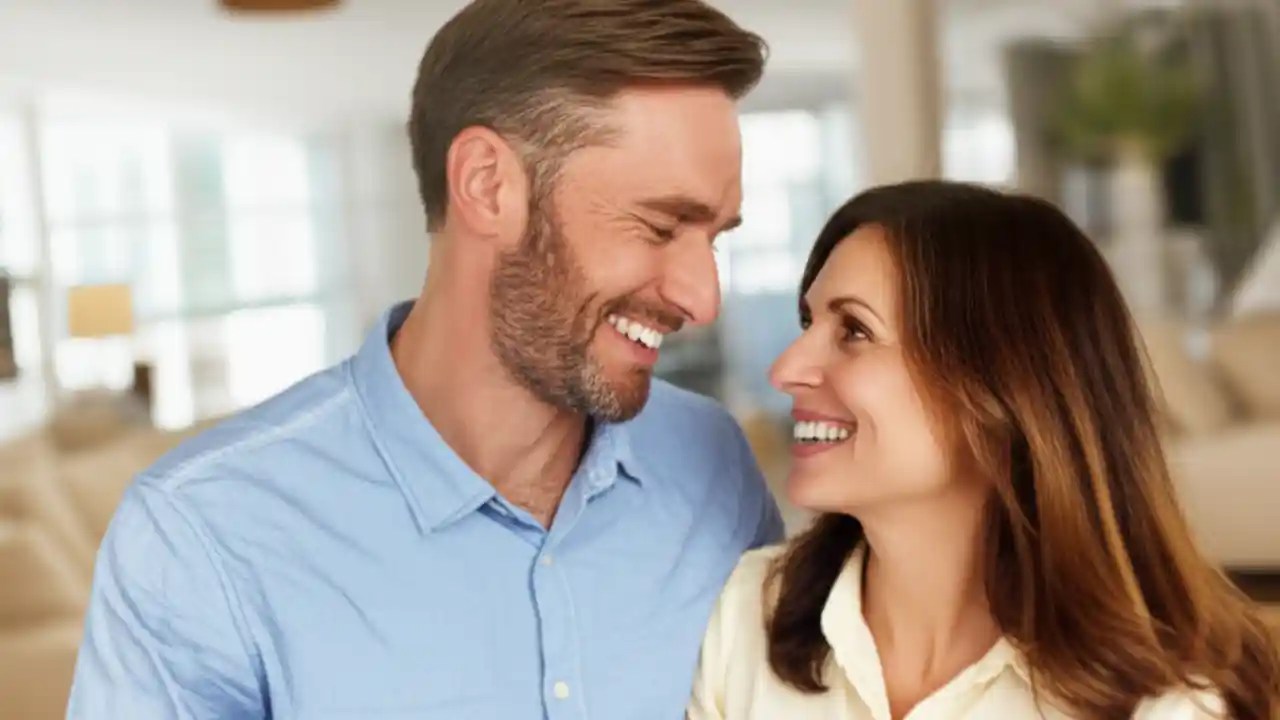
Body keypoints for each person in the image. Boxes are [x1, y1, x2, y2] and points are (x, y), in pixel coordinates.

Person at [67, 1, 784, 717]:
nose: (702, 297)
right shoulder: (202, 533)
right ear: (486, 183)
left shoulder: (713, 466)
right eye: (659, 225)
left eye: (714, 238)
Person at [688, 181, 1280, 720]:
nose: (788, 368)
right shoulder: (744, 615)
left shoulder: (1169, 705)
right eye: (807, 322)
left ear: (999, 389)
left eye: (855, 331)